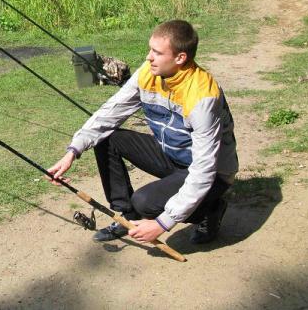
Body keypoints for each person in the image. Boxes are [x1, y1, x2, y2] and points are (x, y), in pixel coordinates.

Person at [47, 20, 238, 244]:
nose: (148, 57)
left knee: (144, 202)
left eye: (157, 52)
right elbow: (110, 112)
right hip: (171, 155)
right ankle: (125, 216)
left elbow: (204, 169)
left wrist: (163, 222)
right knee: (108, 137)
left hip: (212, 172)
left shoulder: (202, 98)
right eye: (150, 49)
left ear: (180, 58)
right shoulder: (148, 73)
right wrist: (73, 151)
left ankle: (210, 209)